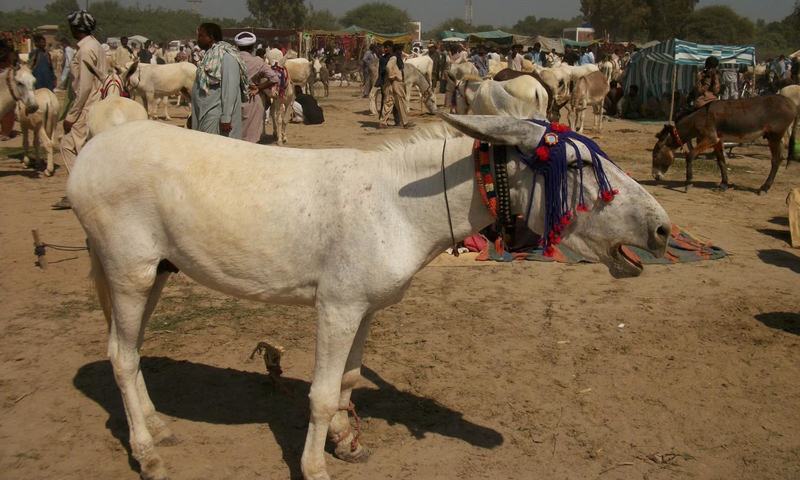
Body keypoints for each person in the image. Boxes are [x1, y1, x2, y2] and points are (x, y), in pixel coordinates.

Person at [53, 10, 107, 210]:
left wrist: (72, 115)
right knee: (86, 150)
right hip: (98, 103)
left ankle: (77, 193)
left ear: (76, 29)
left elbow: (83, 87)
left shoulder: (85, 50)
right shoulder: (97, 46)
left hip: (86, 106)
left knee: (67, 146)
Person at [191, 22, 248, 139]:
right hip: (203, 113)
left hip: (216, 115)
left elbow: (230, 88)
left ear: (211, 37)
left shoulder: (227, 57)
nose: (198, 39)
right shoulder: (209, 56)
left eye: (201, 36)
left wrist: (226, 117)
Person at [235, 31, 279, 143]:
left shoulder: (231, 60)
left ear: (237, 46)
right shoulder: (258, 62)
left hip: (233, 99)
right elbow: (275, 78)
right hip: (252, 100)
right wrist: (259, 87)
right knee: (251, 137)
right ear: (253, 47)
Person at [377, 41, 409, 129]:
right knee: (400, 102)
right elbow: (388, 67)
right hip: (395, 82)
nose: (401, 52)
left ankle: (383, 122)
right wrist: (392, 76)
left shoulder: (390, 57)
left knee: (389, 102)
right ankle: (405, 123)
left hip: (389, 82)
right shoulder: (394, 57)